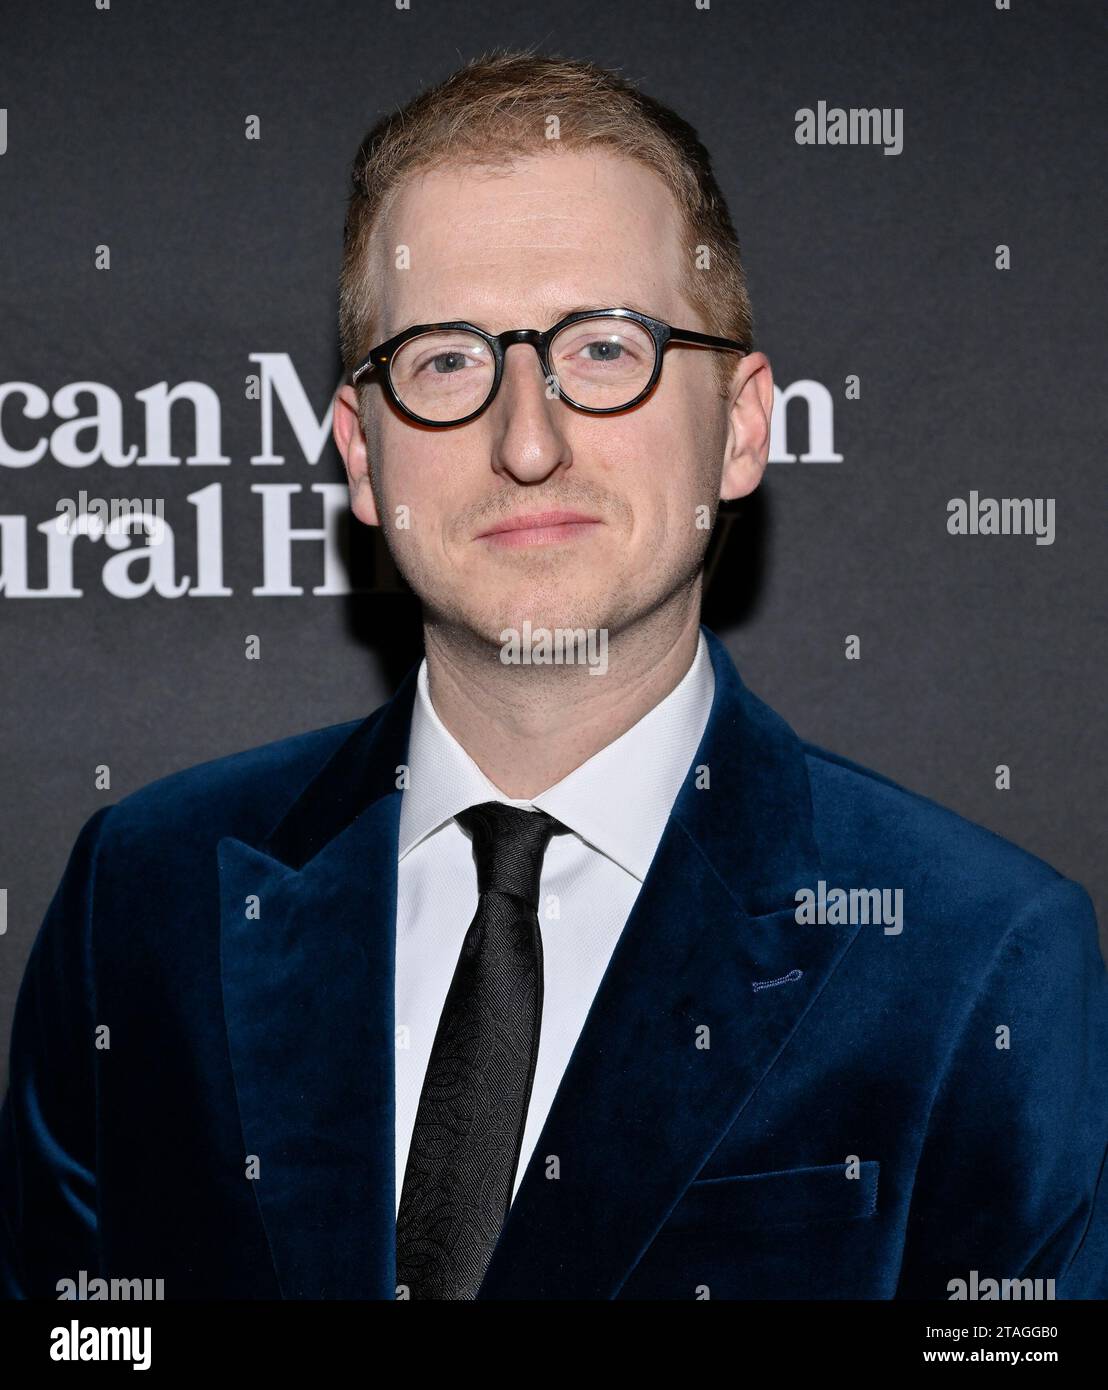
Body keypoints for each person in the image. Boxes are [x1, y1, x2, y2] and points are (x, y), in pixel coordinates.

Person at [2, 49, 1105, 1302]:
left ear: (741, 427)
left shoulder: (976, 954)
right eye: (447, 361)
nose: (526, 440)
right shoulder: (144, 901)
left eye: (602, 347)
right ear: (361, 459)